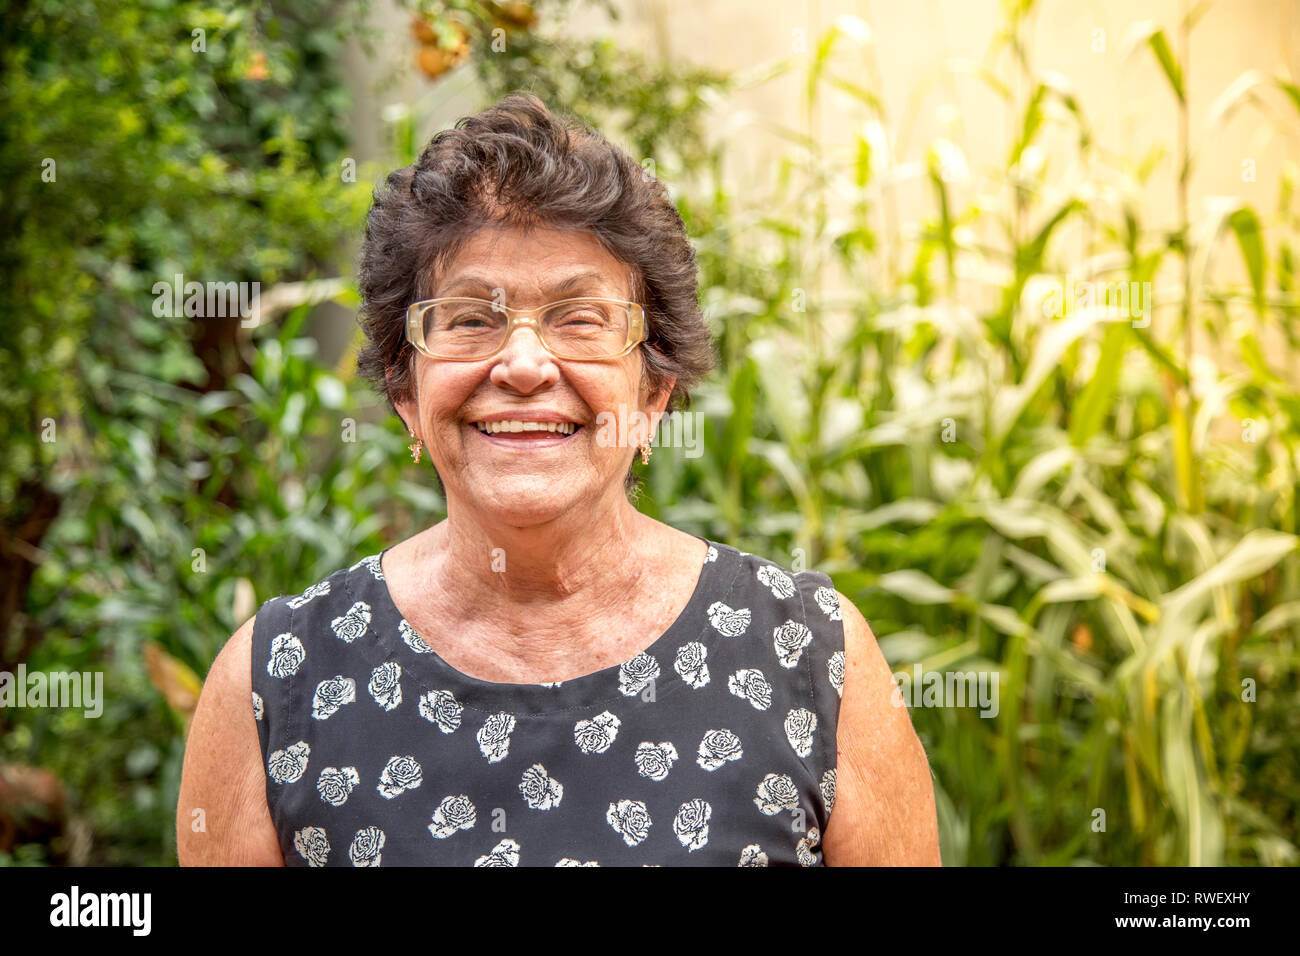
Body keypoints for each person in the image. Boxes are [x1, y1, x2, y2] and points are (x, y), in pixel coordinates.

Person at [177, 92, 940, 867]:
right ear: (406, 391)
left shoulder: (807, 653)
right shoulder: (276, 683)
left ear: (652, 394)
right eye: (472, 317)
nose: (525, 365)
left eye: (580, 318)